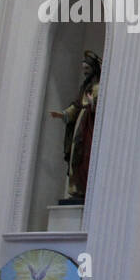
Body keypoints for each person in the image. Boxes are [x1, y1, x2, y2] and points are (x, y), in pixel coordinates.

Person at [50, 50, 101, 199]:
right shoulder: (85, 88)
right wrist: (63, 114)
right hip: (81, 123)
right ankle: (76, 188)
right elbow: (77, 106)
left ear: (93, 69)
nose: (84, 72)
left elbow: (101, 107)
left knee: (86, 154)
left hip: (89, 125)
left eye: (87, 69)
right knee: (75, 155)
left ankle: (86, 187)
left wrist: (93, 104)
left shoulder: (99, 87)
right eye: (83, 69)